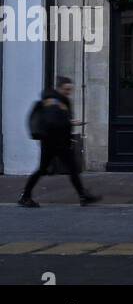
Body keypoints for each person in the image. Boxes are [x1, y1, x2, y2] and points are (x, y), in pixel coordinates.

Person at [18, 78, 101, 208]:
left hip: (57, 141)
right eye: (67, 89)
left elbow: (57, 119)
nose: (69, 92)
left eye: (70, 90)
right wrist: (70, 122)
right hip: (53, 142)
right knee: (48, 169)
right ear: (60, 88)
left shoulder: (59, 100)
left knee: (63, 169)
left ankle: (83, 196)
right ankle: (25, 196)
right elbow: (52, 121)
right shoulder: (53, 101)